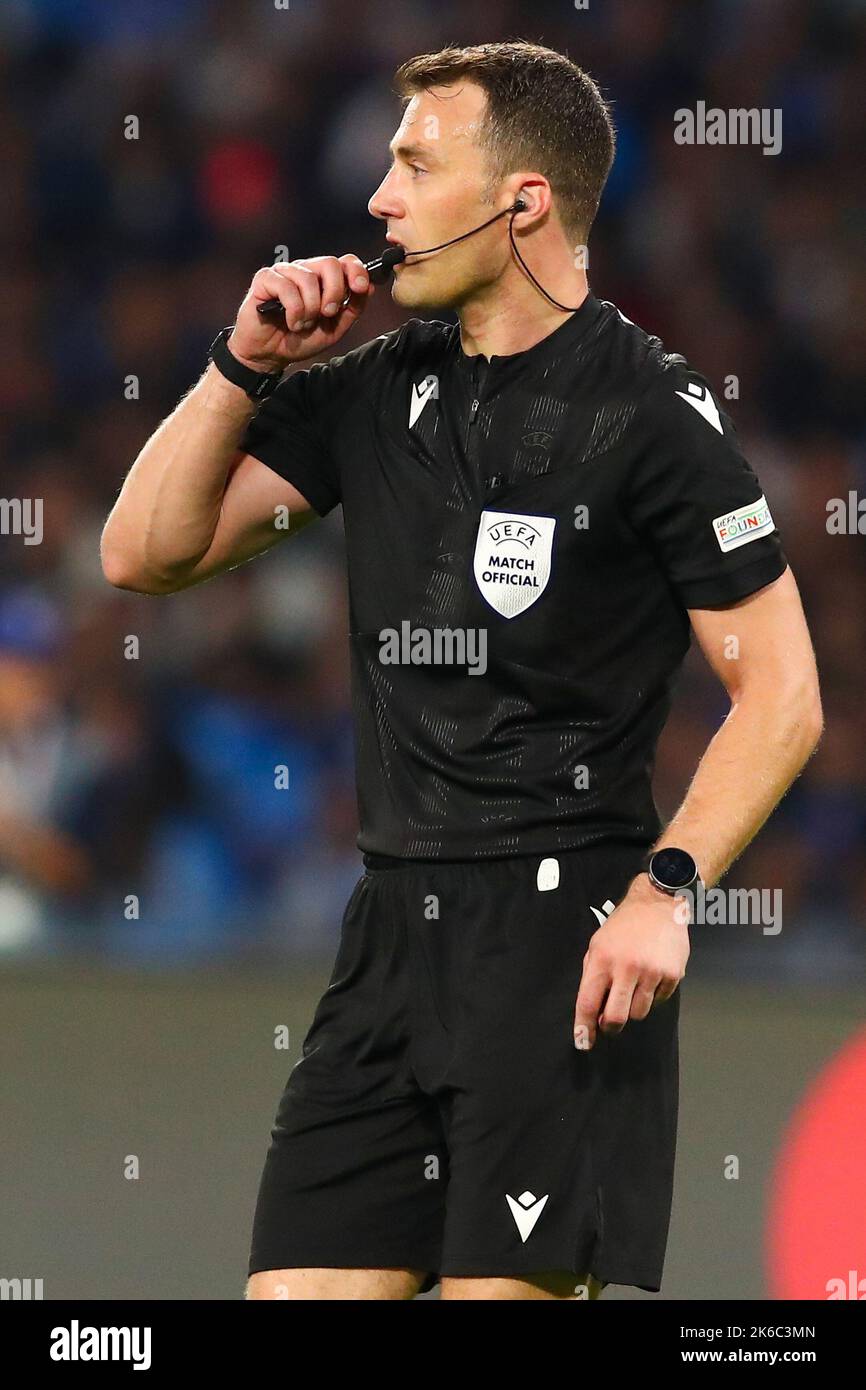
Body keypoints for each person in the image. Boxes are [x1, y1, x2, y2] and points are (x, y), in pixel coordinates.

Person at [101, 41, 823, 1301]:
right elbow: (142, 555)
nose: (377, 198)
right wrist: (241, 363)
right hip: (387, 934)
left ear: (521, 201)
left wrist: (666, 890)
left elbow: (783, 694)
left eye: (414, 163)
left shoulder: (649, 415)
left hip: (565, 945)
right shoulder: (375, 392)